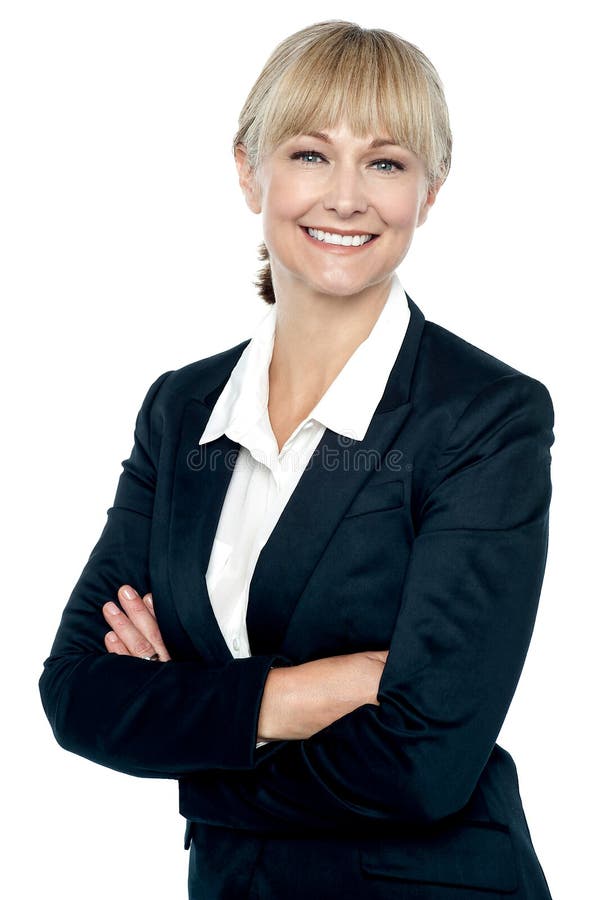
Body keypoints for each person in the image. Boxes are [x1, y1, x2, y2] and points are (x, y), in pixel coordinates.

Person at [39, 19, 555, 900]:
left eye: (386, 162)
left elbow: (425, 758)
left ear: (428, 192)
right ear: (249, 170)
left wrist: (192, 734)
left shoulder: (483, 417)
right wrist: (307, 693)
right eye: (312, 154)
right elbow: (80, 691)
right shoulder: (182, 410)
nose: (346, 198)